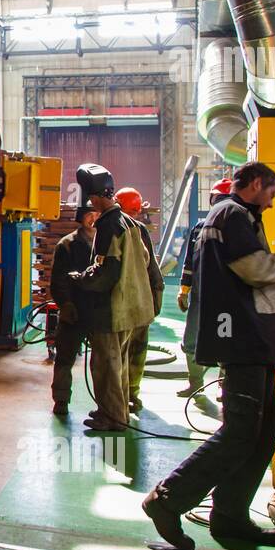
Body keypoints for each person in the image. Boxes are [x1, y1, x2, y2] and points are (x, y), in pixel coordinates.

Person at [142, 162, 275, 550]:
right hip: (242, 340)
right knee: (239, 433)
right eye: (271, 194)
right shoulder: (232, 214)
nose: (271, 204)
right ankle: (167, 500)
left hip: (253, 339)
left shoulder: (235, 216)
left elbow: (247, 274)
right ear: (255, 184)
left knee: (263, 433)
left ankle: (230, 516)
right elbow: (252, 268)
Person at [69, 164, 156, 432]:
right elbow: (142, 259)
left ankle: (113, 418)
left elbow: (106, 272)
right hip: (133, 307)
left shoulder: (107, 225)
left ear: (93, 198)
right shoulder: (130, 223)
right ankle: (114, 411)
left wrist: (82, 278)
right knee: (118, 364)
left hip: (112, 310)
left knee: (106, 365)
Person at [176, 177, 233, 399]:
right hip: (200, 298)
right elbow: (189, 261)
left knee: (225, 341)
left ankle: (224, 387)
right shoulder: (199, 228)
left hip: (226, 300)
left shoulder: (236, 228)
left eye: (223, 198)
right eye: (217, 198)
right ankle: (195, 383)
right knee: (191, 341)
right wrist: (184, 289)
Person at [115, 187, 165, 413]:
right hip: (139, 300)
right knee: (133, 349)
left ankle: (128, 393)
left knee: (126, 349)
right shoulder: (135, 228)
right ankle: (129, 393)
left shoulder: (123, 229)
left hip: (130, 301)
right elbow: (153, 270)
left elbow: (151, 269)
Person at [48, 204, 98, 417]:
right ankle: (61, 399)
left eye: (97, 214)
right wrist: (66, 305)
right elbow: (58, 280)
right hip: (74, 310)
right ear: (81, 218)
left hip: (98, 311)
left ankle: (105, 405)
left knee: (103, 362)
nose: (93, 219)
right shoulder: (67, 245)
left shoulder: (107, 244)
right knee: (65, 358)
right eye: (89, 215)